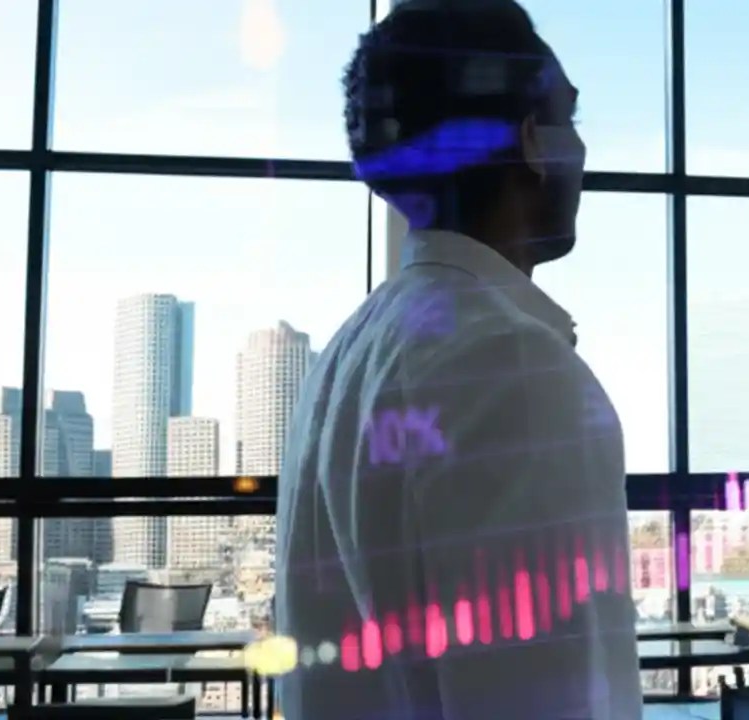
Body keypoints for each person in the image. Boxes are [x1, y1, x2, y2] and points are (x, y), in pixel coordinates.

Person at [274, 1, 642, 718]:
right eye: (568, 119)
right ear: (532, 141)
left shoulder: (344, 359)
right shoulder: (514, 366)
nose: (581, 151)